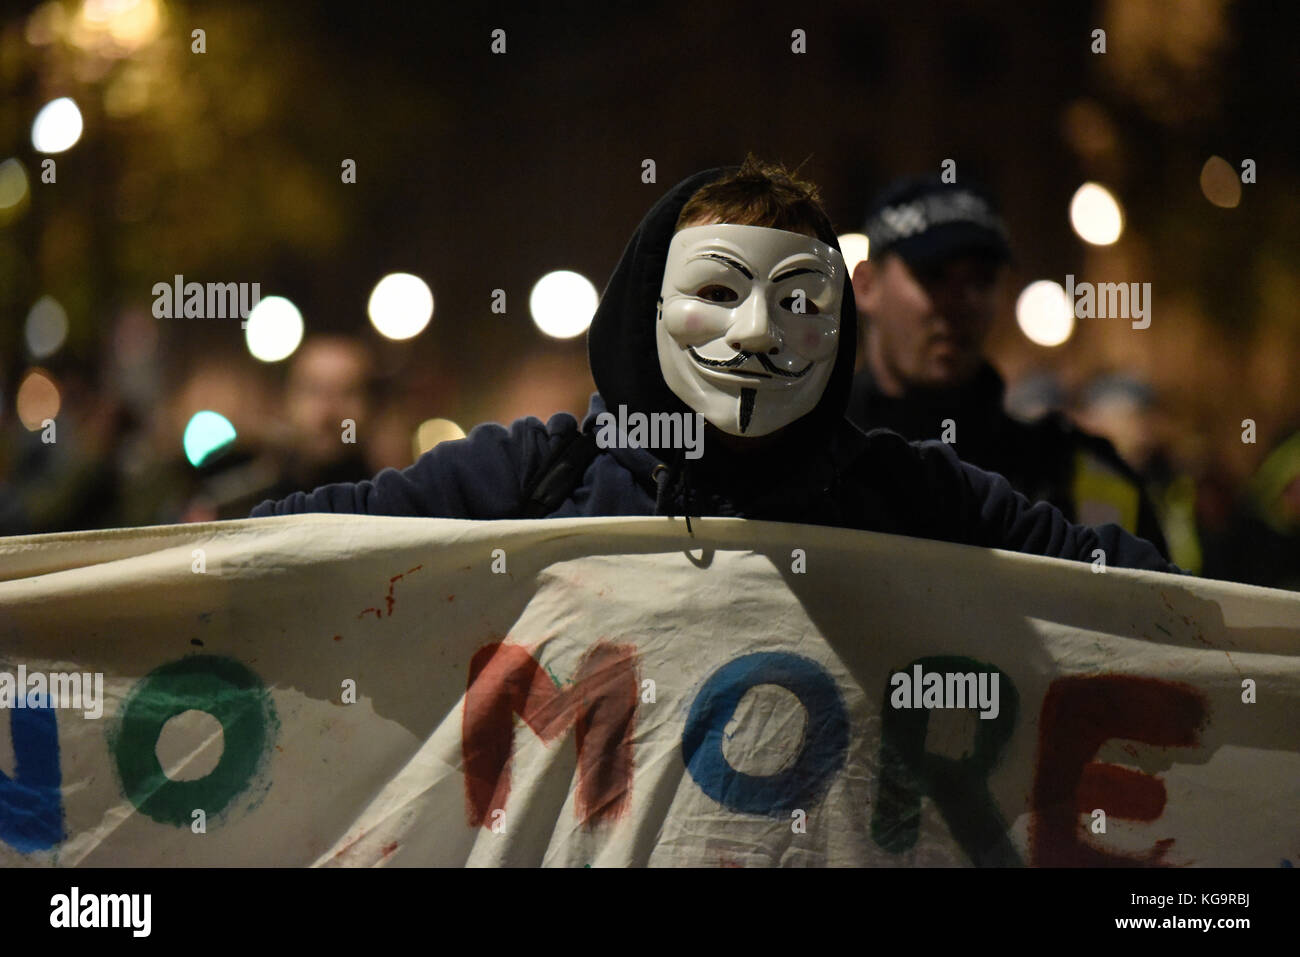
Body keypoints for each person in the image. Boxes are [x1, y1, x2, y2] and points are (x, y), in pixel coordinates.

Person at [251, 157, 1178, 574]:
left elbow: (1135, 596)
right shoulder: (533, 475)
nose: (758, 334)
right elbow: (291, 548)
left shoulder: (911, 489)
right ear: (647, 306)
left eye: (798, 301)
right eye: (720, 291)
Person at [845, 176, 1172, 559]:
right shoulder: (811, 457)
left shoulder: (1076, 475)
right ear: (866, 286)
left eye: (981, 281)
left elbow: (1161, 611)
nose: (960, 302)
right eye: (933, 275)